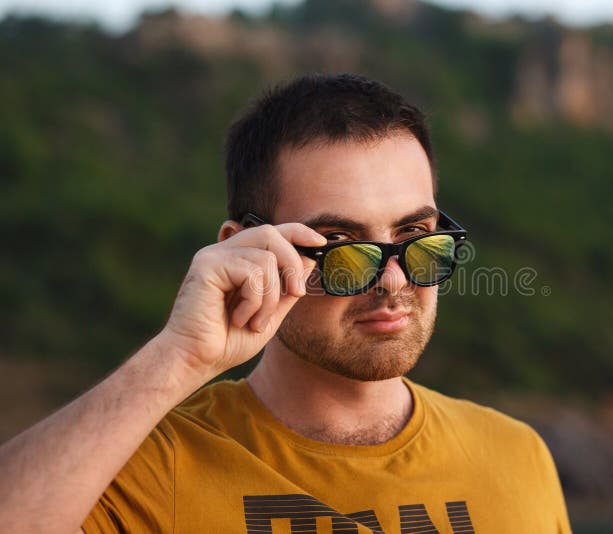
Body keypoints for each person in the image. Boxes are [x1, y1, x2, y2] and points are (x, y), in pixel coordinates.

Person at [0, 73, 571, 533]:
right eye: (340, 248)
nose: (395, 281)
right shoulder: (156, 467)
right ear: (243, 250)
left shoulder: (517, 457)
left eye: (416, 237)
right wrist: (180, 356)